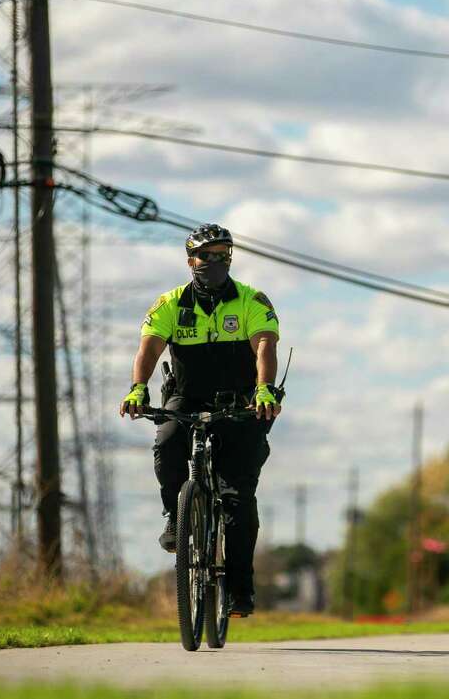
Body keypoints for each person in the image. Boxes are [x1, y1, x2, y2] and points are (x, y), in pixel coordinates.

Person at [120, 223, 281, 617]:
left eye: (223, 255)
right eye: (206, 256)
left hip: (239, 404)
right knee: (167, 441)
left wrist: (263, 389)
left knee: (237, 498)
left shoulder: (251, 300)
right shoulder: (170, 304)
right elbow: (149, 349)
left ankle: (239, 591)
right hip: (186, 397)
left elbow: (264, 345)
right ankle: (175, 517)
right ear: (190, 260)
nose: (215, 261)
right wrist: (138, 388)